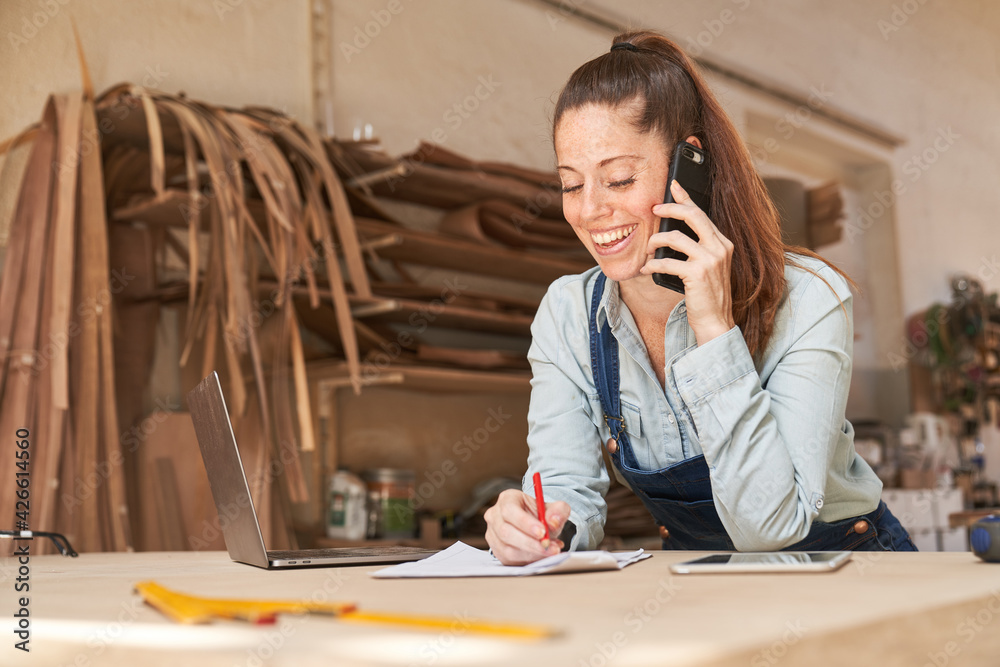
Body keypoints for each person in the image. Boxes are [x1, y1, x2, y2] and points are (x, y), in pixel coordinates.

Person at [484, 30, 916, 565]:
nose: (589, 210)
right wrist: (538, 526)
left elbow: (770, 527)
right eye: (571, 185)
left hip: (852, 576)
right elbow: (567, 486)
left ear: (691, 166)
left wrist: (714, 331)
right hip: (709, 586)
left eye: (618, 179)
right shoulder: (569, 313)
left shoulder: (808, 299)